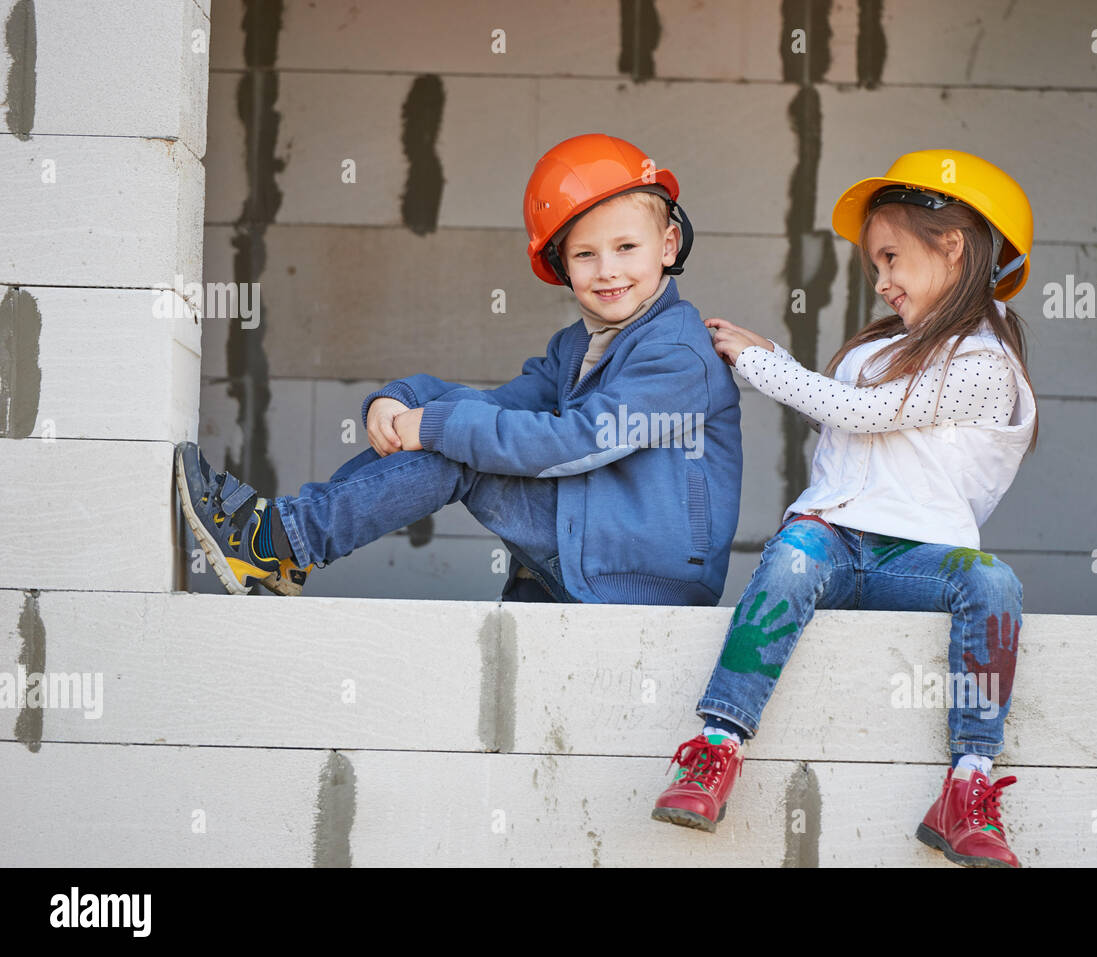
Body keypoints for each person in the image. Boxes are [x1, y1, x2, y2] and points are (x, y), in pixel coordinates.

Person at [651, 149, 1040, 868]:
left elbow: (860, 415)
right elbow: (853, 435)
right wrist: (779, 366)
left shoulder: (985, 364)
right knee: (796, 552)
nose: (882, 280)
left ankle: (969, 783)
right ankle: (716, 747)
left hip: (916, 561)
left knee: (994, 582)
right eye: (875, 267)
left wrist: (763, 361)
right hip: (835, 539)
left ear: (951, 245)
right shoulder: (880, 349)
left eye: (891, 258)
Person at [175, 133, 742, 607]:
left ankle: (275, 541)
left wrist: (438, 428)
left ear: (667, 245)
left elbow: (578, 441)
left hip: (649, 577)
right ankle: (281, 551)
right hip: (593, 546)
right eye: (586, 254)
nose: (607, 270)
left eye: (626, 247)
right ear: (560, 265)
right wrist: (405, 398)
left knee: (458, 453)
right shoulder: (578, 345)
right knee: (459, 435)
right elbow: (502, 403)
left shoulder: (678, 354)